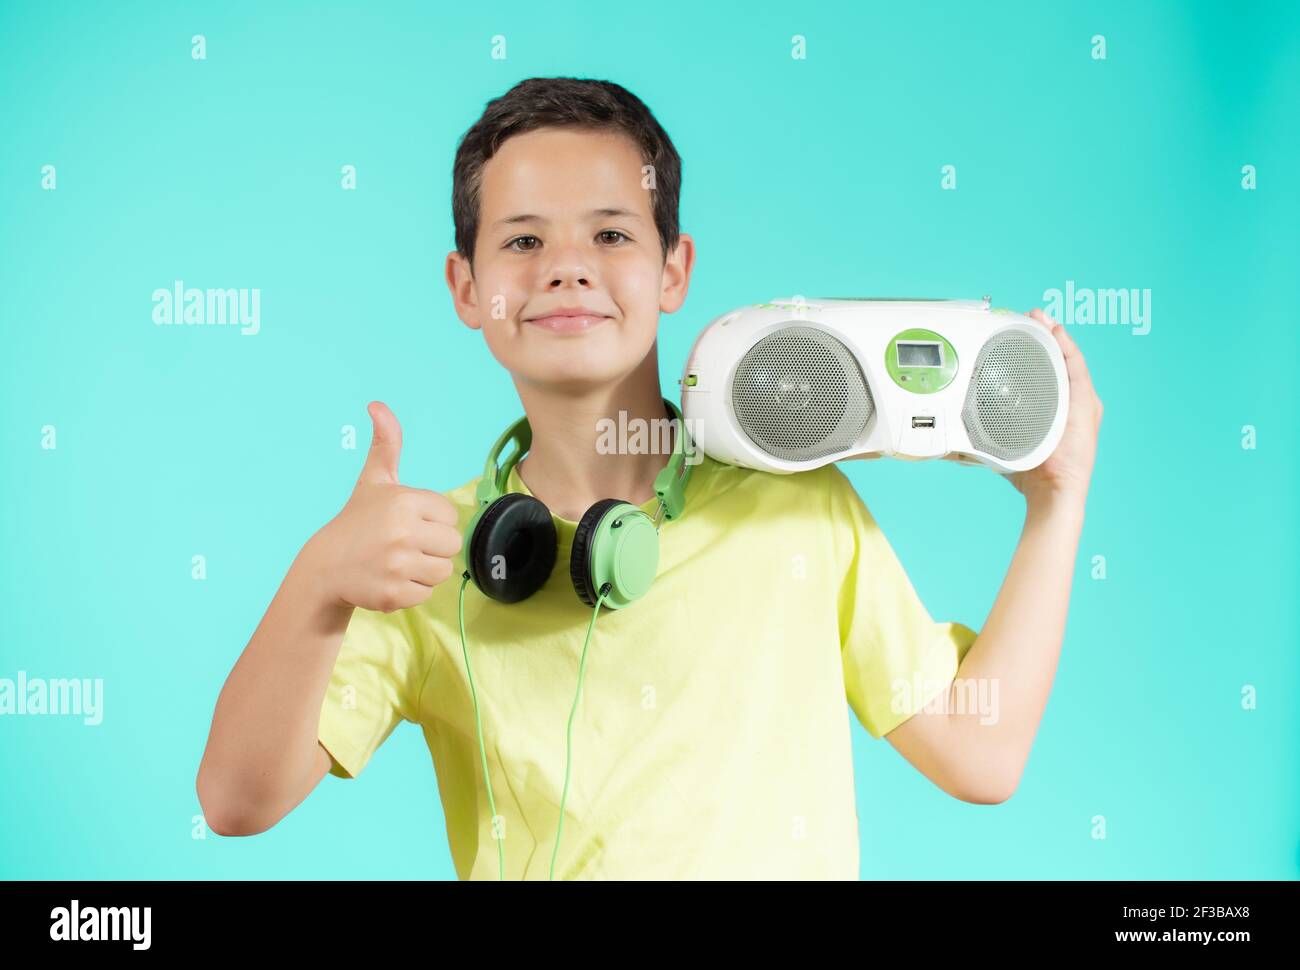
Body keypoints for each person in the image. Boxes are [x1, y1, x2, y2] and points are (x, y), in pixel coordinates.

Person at [195, 76, 1104, 880]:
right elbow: (238, 803)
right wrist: (319, 580)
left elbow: (981, 756)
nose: (567, 266)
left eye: (611, 231)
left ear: (674, 269)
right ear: (466, 287)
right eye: (519, 242)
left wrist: (1056, 507)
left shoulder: (792, 508)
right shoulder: (429, 556)